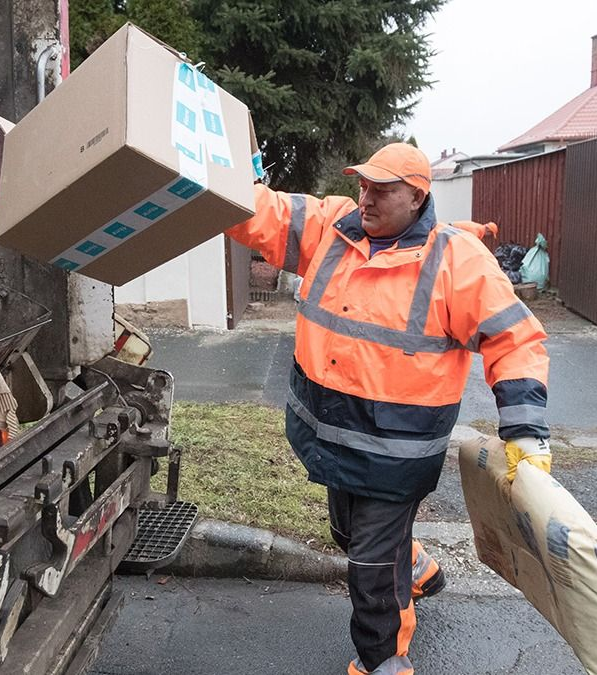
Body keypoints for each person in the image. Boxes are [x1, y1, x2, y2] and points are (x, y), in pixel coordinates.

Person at [226, 143, 551, 675]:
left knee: (371, 572)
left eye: (383, 189)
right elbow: (265, 214)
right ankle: (416, 564)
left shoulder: (457, 262)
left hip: (397, 456)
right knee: (348, 536)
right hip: (333, 440)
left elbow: (515, 341)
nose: (367, 197)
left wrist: (525, 432)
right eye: (364, 186)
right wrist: (213, 183)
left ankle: (384, 661)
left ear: (417, 196)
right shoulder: (334, 227)